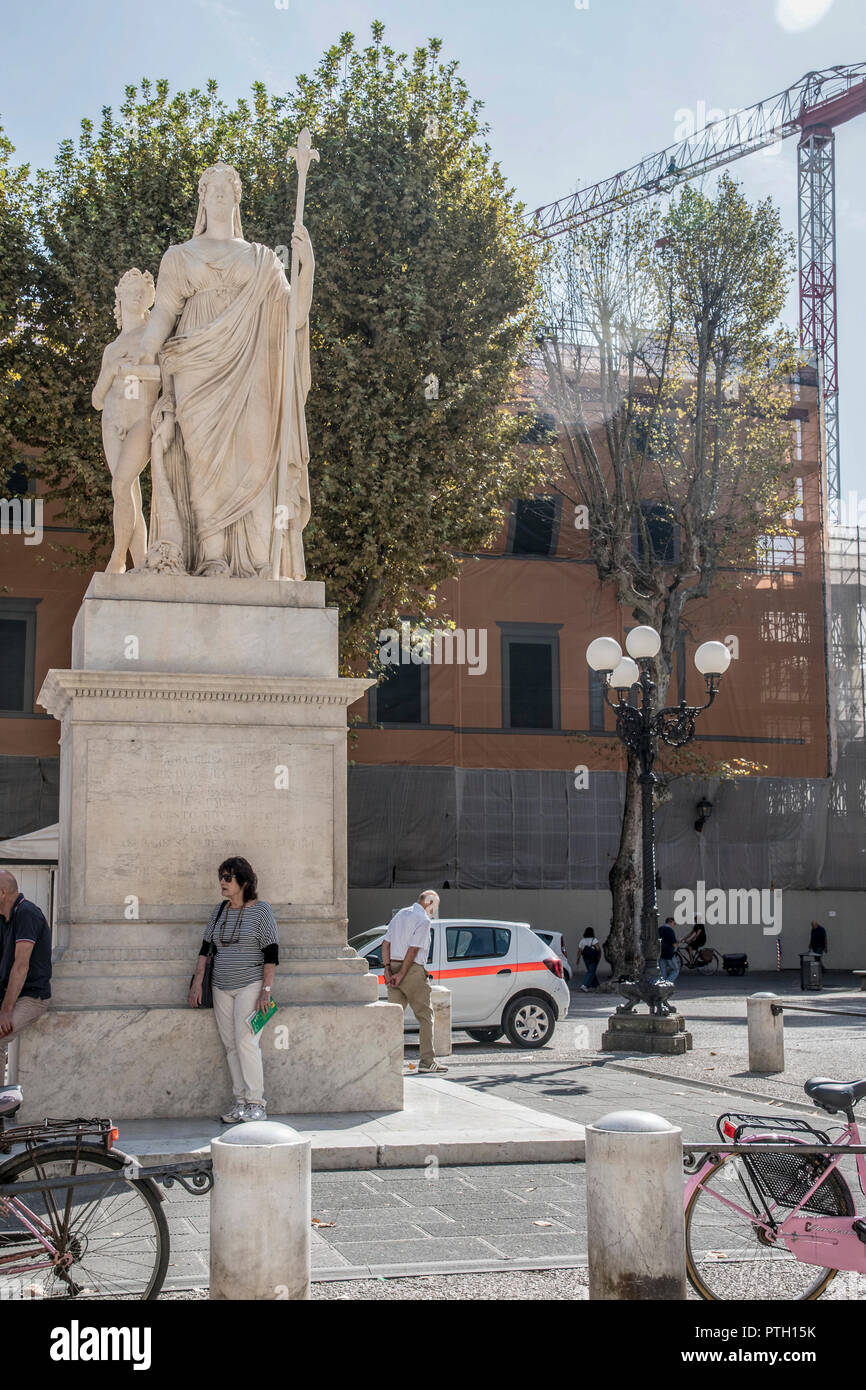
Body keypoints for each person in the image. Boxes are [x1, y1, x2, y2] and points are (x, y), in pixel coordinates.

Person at [134, 161, 315, 579]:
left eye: (225, 188)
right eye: (210, 188)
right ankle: (212, 558)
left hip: (252, 365)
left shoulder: (264, 259)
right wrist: (144, 354)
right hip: (195, 360)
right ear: (202, 199)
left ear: (236, 199)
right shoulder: (179, 256)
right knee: (202, 459)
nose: (218, 194)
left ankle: (256, 562)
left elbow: (293, 317)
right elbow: (162, 312)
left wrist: (306, 269)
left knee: (257, 453)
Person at [188, 857, 279, 1124]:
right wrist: (197, 982)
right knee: (230, 1045)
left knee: (246, 1041)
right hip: (220, 986)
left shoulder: (262, 911)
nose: (223, 883)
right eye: (221, 877)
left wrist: (267, 990)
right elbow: (205, 949)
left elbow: (271, 953)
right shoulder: (219, 910)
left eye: (228, 878)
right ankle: (240, 1101)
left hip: (250, 984)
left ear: (244, 882)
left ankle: (256, 1102)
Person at [382, 891, 447, 1074]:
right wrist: (402, 973)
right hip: (411, 970)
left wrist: (388, 969)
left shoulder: (401, 914)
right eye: (435, 905)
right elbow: (413, 950)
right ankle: (427, 1061)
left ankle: (387, 1061)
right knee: (425, 1016)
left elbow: (385, 944)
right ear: (429, 902)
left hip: (393, 966)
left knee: (393, 1017)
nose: (435, 910)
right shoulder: (423, 920)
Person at [0, 871, 52, 1085]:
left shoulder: (27, 913)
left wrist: (6, 1010)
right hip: (7, 994)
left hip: (30, 997)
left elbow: (21, 967)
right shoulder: (3, 917)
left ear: (2, 892)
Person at [658, 916, 680, 983]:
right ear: (670, 922)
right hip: (669, 954)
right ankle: (667, 984)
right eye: (674, 923)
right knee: (676, 970)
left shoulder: (660, 929)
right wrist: (678, 942)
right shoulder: (670, 930)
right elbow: (674, 943)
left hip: (661, 953)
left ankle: (663, 986)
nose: (674, 925)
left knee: (662, 972)